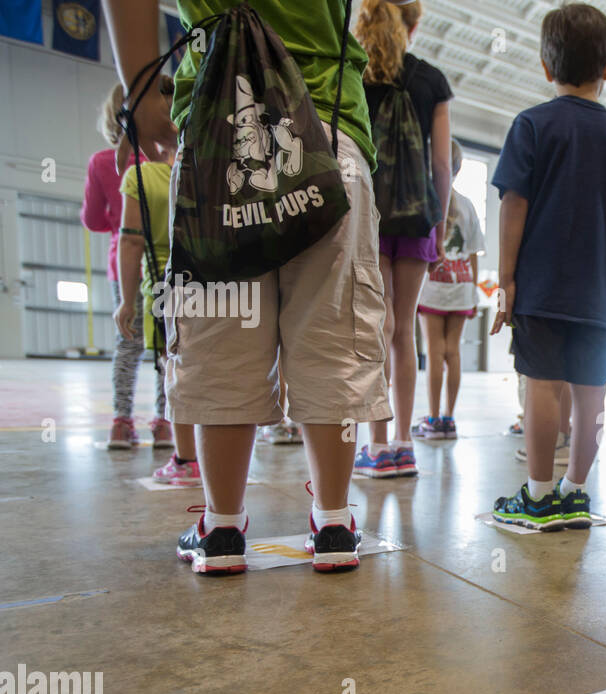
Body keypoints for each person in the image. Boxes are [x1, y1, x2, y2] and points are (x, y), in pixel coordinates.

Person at [104, 0, 392, 574]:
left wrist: (140, 92)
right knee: (332, 333)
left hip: (216, 136)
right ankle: (334, 522)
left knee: (221, 333)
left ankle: (221, 529)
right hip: (326, 128)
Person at [489, 2, 606, 529]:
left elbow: (514, 205)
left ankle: (538, 495)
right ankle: (577, 493)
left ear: (546, 67)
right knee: (591, 390)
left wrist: (506, 278)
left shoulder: (532, 124)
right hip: (596, 295)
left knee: (542, 385)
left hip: (542, 286)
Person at [353, 0, 453, 479]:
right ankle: (404, 443)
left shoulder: (354, 72)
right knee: (404, 329)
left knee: (376, 324)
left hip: (367, 216)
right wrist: (441, 222)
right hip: (415, 217)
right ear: (415, 24)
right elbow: (441, 164)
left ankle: (374, 443)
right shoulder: (431, 81)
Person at [114, 75, 196, 484]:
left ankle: (186, 459)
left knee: (173, 368)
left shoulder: (138, 178)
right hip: (208, 280)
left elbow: (130, 243)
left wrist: (126, 301)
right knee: (207, 370)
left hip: (164, 284)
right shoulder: (197, 166)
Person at [82, 83, 163, 450]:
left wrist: (117, 223)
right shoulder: (162, 164)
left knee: (127, 342)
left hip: (123, 265)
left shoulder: (101, 163)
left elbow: (92, 219)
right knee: (167, 345)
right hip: (163, 263)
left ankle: (121, 422)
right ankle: (164, 423)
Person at [412, 139, 485, 442]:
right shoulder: (467, 205)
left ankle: (432, 419)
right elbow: (473, 253)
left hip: (432, 285)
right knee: (453, 352)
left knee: (434, 350)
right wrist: (474, 292)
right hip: (462, 284)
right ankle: (449, 419)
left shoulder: (426, 201)